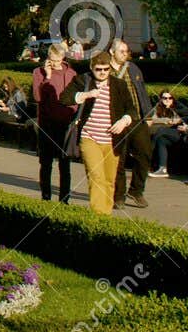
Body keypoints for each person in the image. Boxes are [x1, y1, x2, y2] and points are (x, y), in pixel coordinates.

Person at [75, 54, 135, 215]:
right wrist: (85, 95)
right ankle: (98, 215)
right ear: (91, 68)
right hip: (89, 137)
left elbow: (131, 109)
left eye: (106, 69)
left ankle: (106, 214)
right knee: (96, 175)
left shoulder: (119, 85)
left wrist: (124, 120)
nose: (102, 72)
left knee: (109, 179)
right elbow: (65, 98)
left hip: (111, 140)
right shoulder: (84, 80)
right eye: (98, 69)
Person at [109, 39, 153, 209]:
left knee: (145, 153)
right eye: (122, 51)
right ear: (112, 52)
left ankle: (136, 191)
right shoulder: (106, 70)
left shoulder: (133, 68)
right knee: (119, 158)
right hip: (117, 121)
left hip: (136, 118)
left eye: (126, 51)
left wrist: (148, 115)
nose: (125, 54)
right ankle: (118, 195)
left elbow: (142, 92)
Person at [33, 43, 78, 203]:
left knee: (65, 165)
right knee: (46, 164)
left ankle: (64, 199)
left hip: (65, 125)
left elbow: (75, 99)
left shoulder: (71, 74)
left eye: (58, 60)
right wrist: (48, 76)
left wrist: (74, 117)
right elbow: (38, 97)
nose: (55, 63)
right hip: (47, 124)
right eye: (52, 60)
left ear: (63, 58)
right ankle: (45, 197)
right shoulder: (39, 72)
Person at [147, 90, 188, 175]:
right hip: (163, 132)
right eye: (164, 98)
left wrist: (175, 115)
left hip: (177, 131)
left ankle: (147, 158)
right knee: (160, 138)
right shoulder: (158, 107)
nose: (167, 100)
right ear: (161, 99)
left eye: (170, 98)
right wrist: (164, 120)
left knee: (160, 131)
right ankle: (162, 168)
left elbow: (187, 114)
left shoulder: (177, 106)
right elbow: (152, 119)